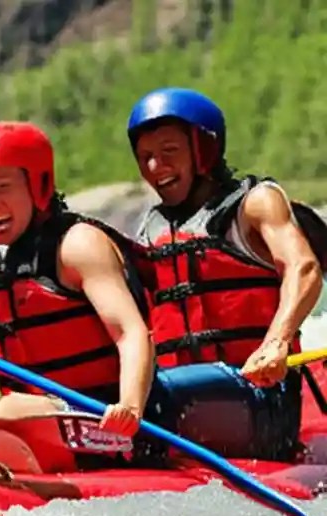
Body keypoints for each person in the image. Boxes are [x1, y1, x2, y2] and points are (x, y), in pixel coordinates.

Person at [127, 87, 326, 460]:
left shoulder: (254, 204)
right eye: (145, 157)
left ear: (203, 149)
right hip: (179, 398)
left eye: (169, 152)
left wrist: (276, 342)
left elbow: (304, 268)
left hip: (261, 396)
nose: (156, 168)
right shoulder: (148, 230)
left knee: (152, 399)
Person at [0, 121, 157, 459]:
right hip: (33, 425)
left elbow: (131, 332)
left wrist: (130, 407)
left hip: (103, 422)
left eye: (3, 187)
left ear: (39, 186)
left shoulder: (77, 246)